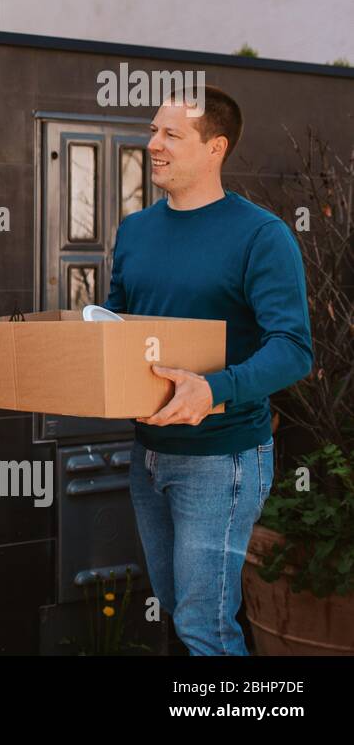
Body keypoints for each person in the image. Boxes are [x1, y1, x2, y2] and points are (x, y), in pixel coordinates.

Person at [104, 83, 312, 655]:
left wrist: (214, 389)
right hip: (147, 453)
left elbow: (293, 347)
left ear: (215, 147)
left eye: (170, 134)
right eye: (152, 131)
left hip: (222, 460)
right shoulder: (137, 230)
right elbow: (117, 324)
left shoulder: (261, 236)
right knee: (180, 611)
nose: (153, 144)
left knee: (205, 626)